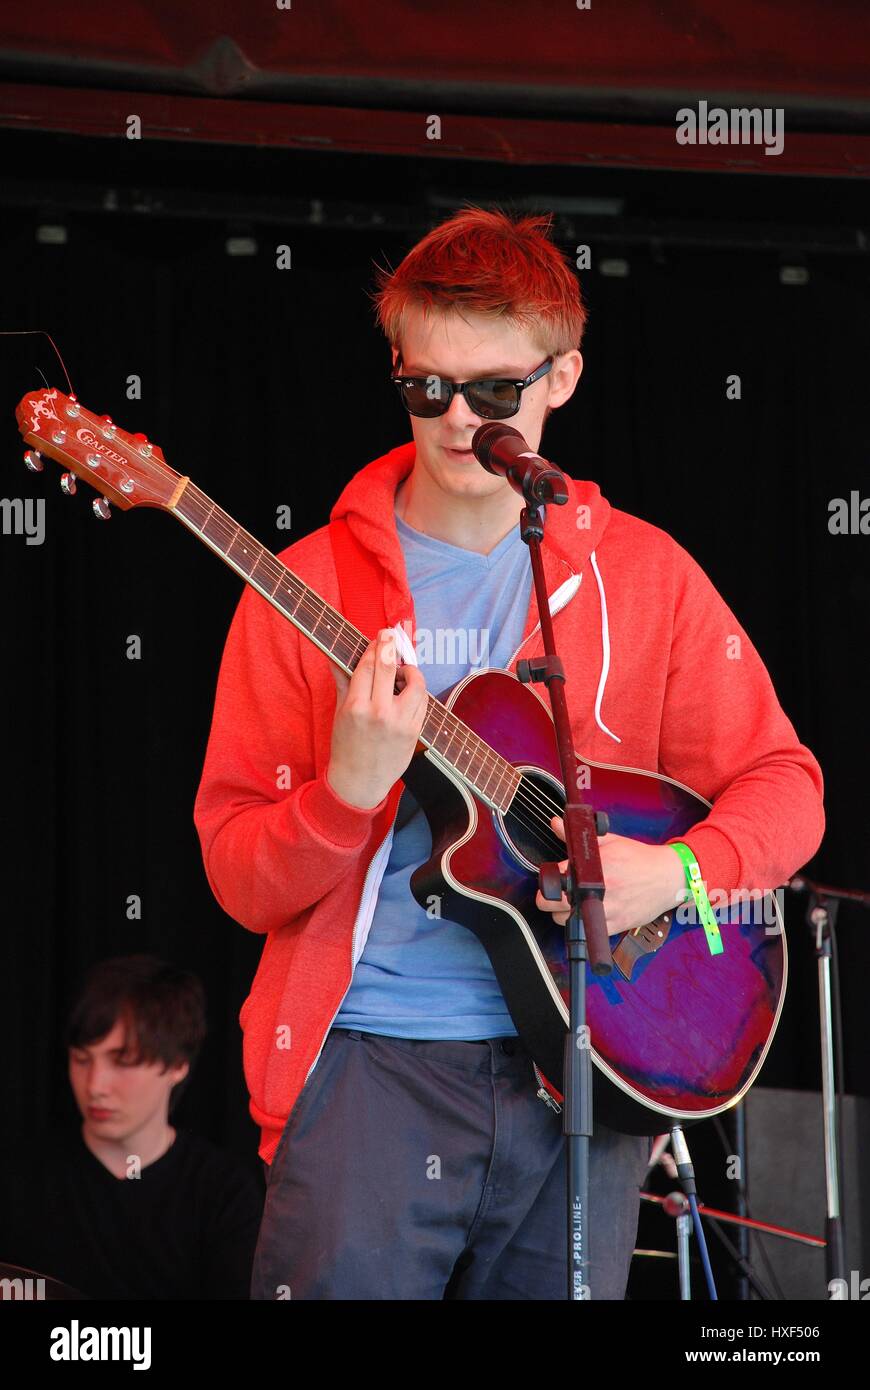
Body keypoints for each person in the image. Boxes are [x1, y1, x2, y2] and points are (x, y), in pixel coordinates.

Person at [193, 206, 825, 1300]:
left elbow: (788, 786)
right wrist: (347, 794)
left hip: (587, 1065)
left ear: (564, 376)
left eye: (495, 393)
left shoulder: (646, 574)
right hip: (370, 1065)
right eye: (426, 387)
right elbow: (240, 879)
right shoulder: (304, 592)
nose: (457, 422)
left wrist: (677, 871)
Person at [0, 955, 263, 1299]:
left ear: (178, 1065)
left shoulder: (225, 1195)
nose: (95, 1085)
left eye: (122, 1062)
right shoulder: (20, 1180)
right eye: (82, 1059)